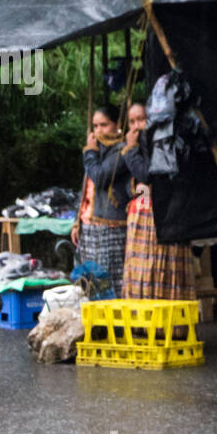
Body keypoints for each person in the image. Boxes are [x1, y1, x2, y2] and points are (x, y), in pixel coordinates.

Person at [121, 101, 195, 301]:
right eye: (133, 121)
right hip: (142, 217)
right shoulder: (140, 144)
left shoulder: (163, 142)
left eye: (142, 119)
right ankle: (141, 324)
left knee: (164, 266)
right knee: (143, 268)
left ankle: (171, 326)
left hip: (163, 214)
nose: (137, 126)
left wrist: (130, 150)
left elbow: (146, 174)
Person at [77, 106, 132, 296]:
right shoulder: (96, 150)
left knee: (110, 279)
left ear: (117, 126)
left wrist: (90, 153)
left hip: (111, 225)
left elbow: (100, 177)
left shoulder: (121, 150)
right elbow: (86, 189)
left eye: (104, 125)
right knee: (91, 279)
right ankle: (98, 323)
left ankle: (116, 324)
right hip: (90, 223)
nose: (98, 130)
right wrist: (77, 223)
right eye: (95, 126)